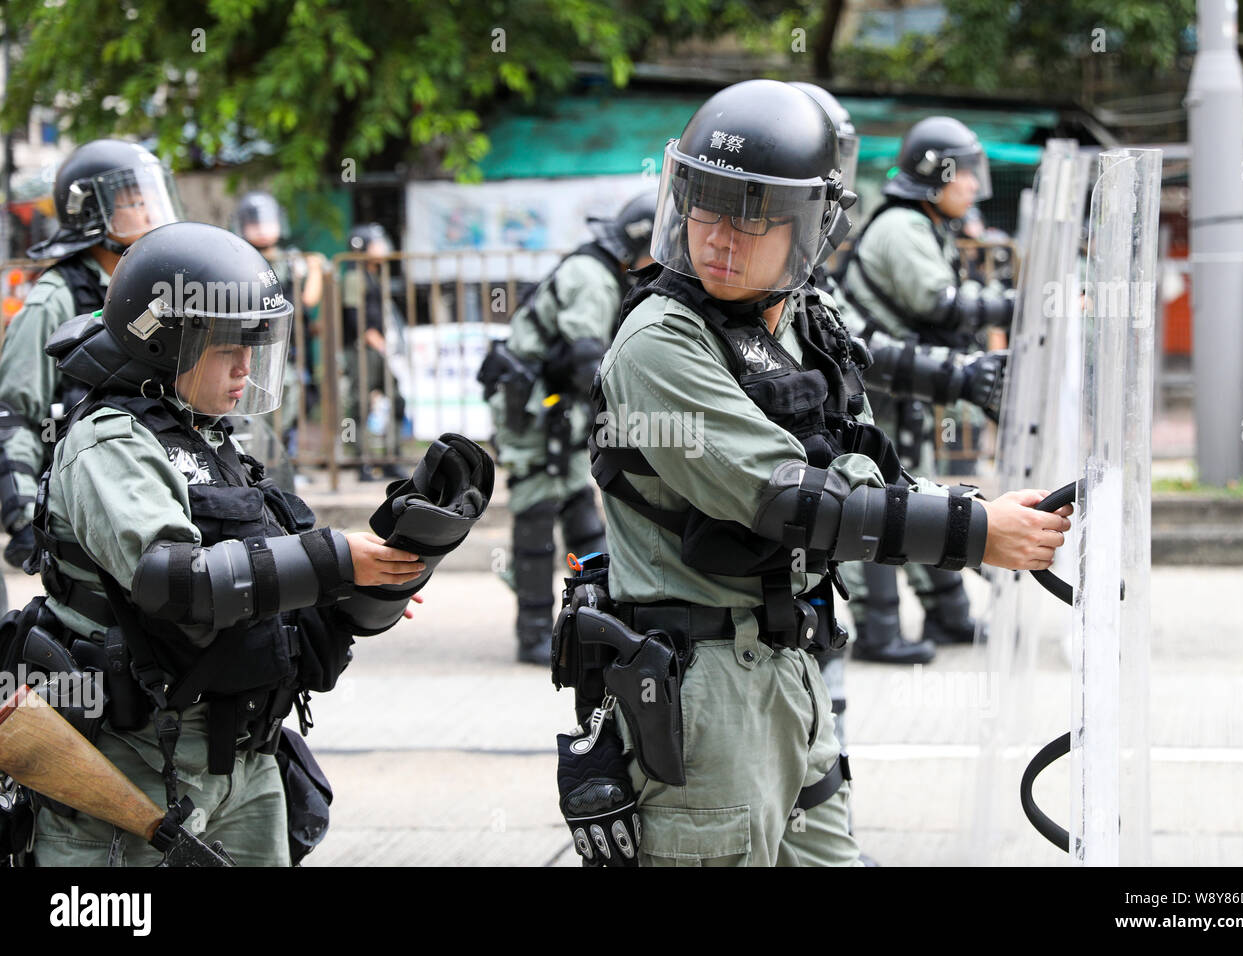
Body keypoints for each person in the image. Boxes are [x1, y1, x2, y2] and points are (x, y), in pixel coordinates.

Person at [566, 79, 1069, 866]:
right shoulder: (659, 341)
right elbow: (789, 498)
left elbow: (859, 453)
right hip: (703, 691)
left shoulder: (799, 317)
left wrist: (883, 494)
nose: (719, 237)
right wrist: (977, 531)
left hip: (791, 665)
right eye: (706, 204)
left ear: (804, 228)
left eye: (751, 214)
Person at [22, 222, 492, 866]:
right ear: (165, 339)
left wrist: (382, 568)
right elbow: (174, 582)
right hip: (136, 764)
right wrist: (333, 561)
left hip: (246, 753)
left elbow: (276, 574)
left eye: (254, 344)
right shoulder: (112, 441)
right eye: (225, 347)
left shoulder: (212, 437)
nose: (246, 366)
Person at [833, 116, 1017, 662]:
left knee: (915, 495)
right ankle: (879, 631)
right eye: (966, 174)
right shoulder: (901, 228)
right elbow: (940, 304)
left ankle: (946, 615)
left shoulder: (927, 226)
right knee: (878, 504)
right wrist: (1014, 304)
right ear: (938, 173)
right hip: (876, 394)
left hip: (900, 391)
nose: (973, 187)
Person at [479, 191, 656, 664]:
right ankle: (534, 633)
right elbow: (585, 361)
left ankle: (601, 618)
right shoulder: (593, 278)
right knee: (538, 512)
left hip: (555, 410)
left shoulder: (605, 272)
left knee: (580, 511)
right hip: (531, 408)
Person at [0, 139, 182, 571]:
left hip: (155, 491)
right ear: (90, 213)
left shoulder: (159, 291)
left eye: (152, 197)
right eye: (136, 202)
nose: (151, 212)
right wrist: (25, 518)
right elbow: (15, 415)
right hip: (86, 507)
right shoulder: (55, 299)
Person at [233, 190, 326, 459]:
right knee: (256, 410)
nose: (261, 229)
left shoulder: (291, 260)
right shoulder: (239, 256)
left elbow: (308, 300)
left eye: (266, 221)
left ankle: (285, 463)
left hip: (290, 349)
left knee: (291, 407)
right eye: (254, 222)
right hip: (254, 346)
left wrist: (315, 268)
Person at [340, 223, 408, 480]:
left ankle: (390, 458)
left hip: (378, 348)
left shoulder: (372, 274)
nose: (382, 247)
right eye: (376, 243)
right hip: (361, 350)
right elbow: (354, 314)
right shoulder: (354, 276)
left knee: (396, 399)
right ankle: (361, 462)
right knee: (359, 405)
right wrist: (375, 340)